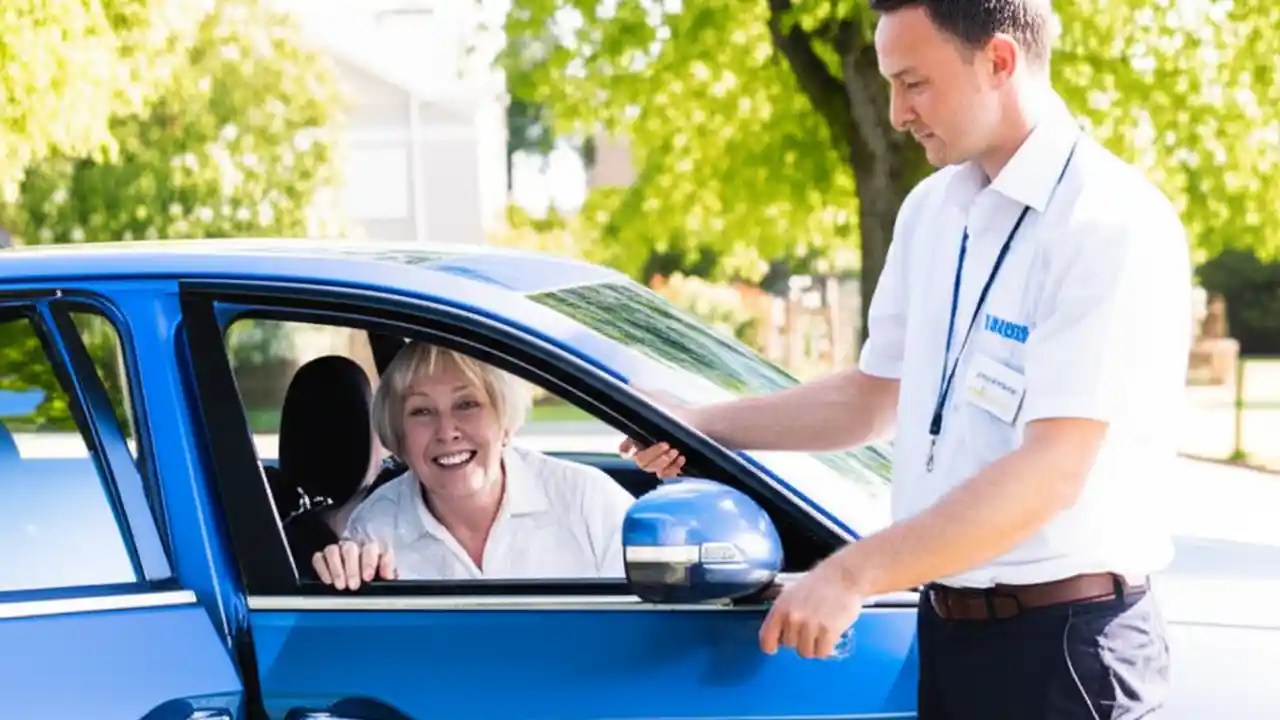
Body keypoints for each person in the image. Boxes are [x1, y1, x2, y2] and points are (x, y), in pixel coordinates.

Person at [625, 1, 1190, 717]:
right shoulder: (930, 211)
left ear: (998, 61)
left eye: (914, 83)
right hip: (948, 635)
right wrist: (700, 423)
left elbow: (1051, 471)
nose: (896, 113)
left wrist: (850, 575)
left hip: (1066, 652)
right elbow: (869, 398)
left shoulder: (1106, 222)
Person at [313, 341, 636, 589]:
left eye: (467, 404)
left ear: (504, 418)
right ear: (398, 434)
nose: (447, 431)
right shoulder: (374, 529)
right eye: (422, 411)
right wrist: (345, 574)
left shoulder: (587, 500)